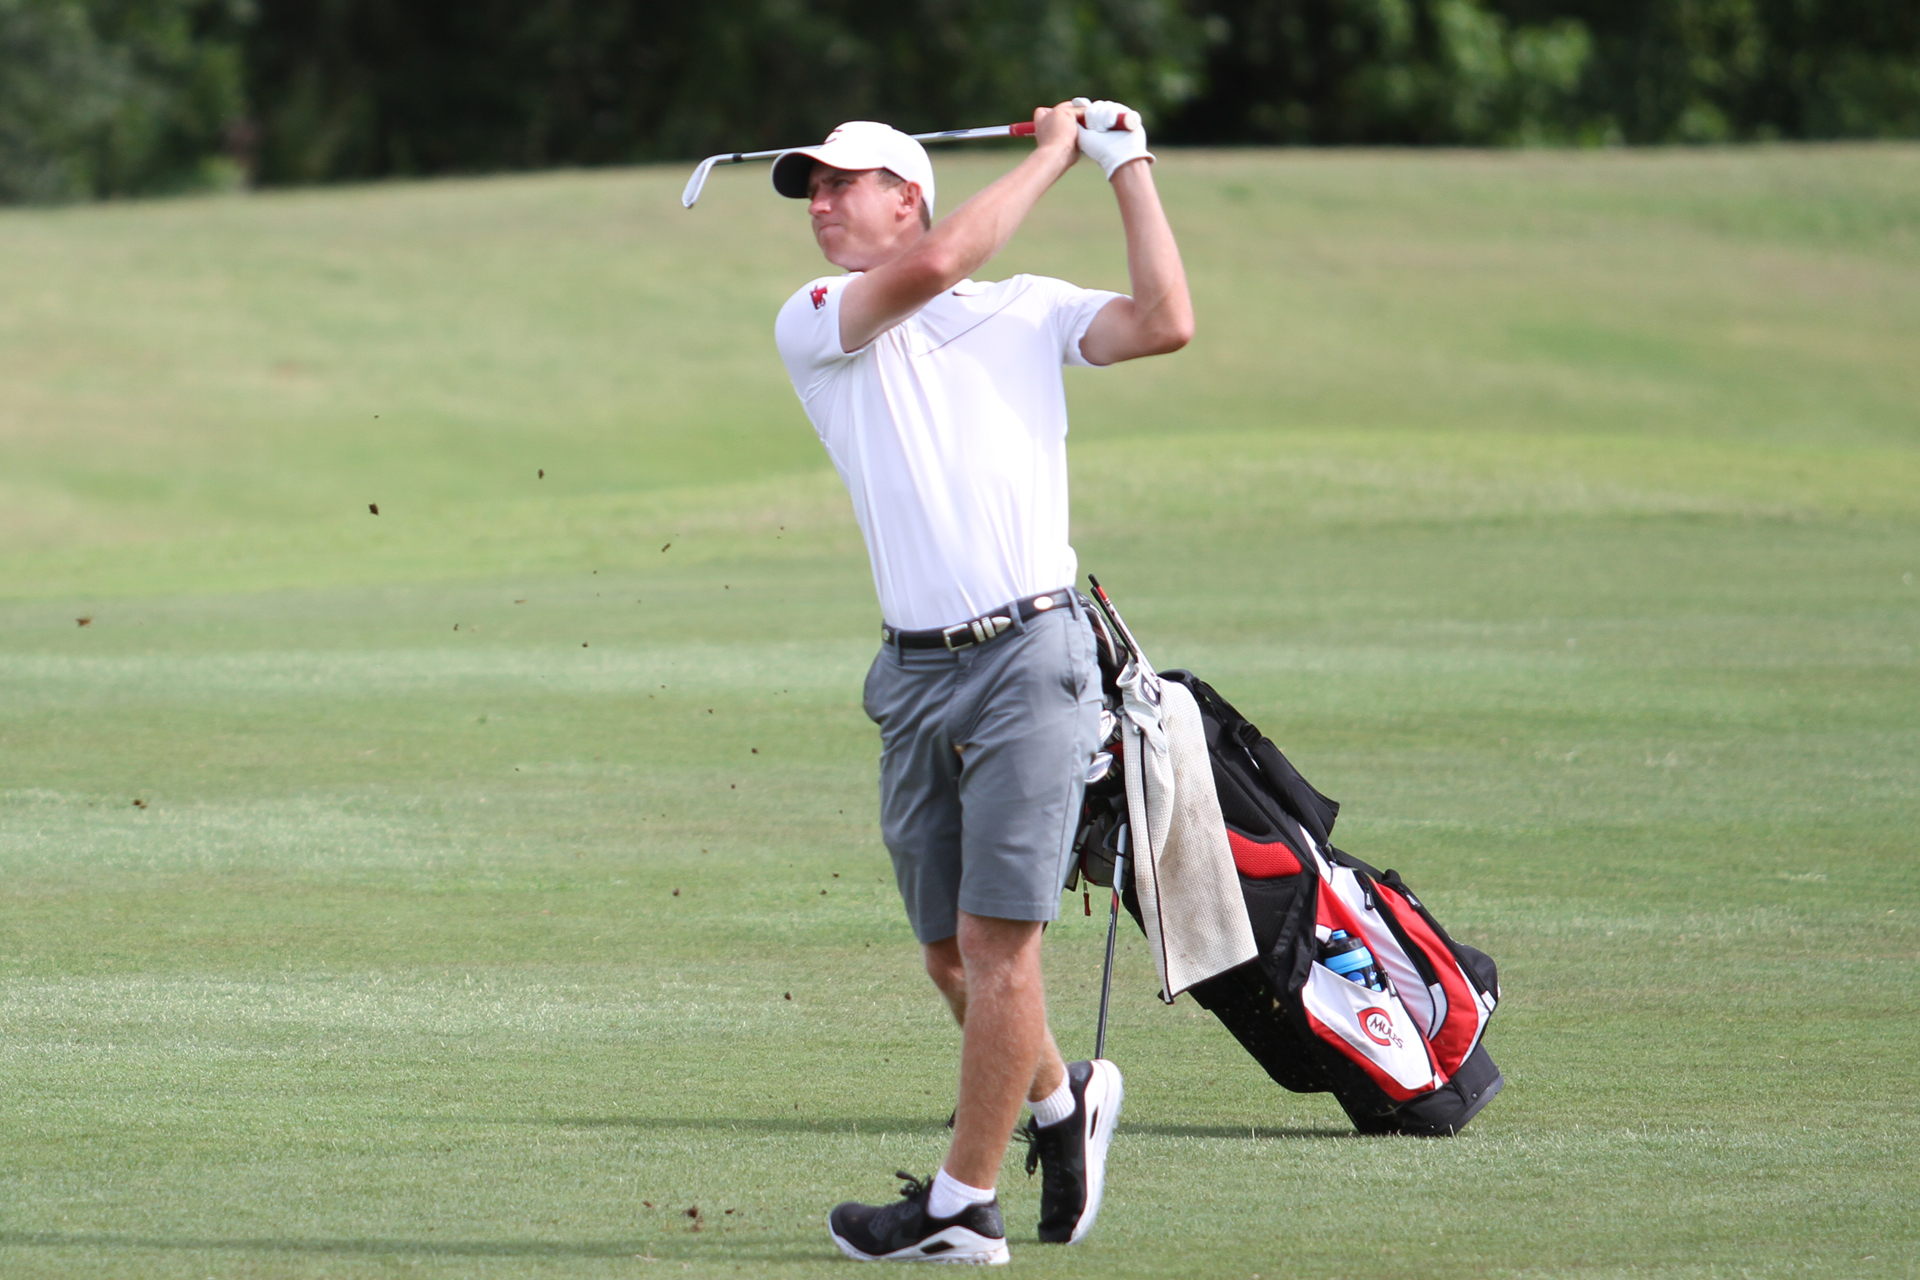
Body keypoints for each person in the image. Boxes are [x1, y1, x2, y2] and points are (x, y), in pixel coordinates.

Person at [770, 99, 1193, 1265]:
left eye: (841, 182)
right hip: (911, 673)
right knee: (949, 956)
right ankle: (1065, 1102)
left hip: (1032, 658)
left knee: (1000, 946)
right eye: (809, 186)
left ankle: (963, 1204)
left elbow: (1167, 321)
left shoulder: (1027, 309)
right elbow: (947, 258)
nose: (818, 202)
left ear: (909, 193)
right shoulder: (817, 320)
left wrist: (1125, 164)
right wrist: (1056, 147)